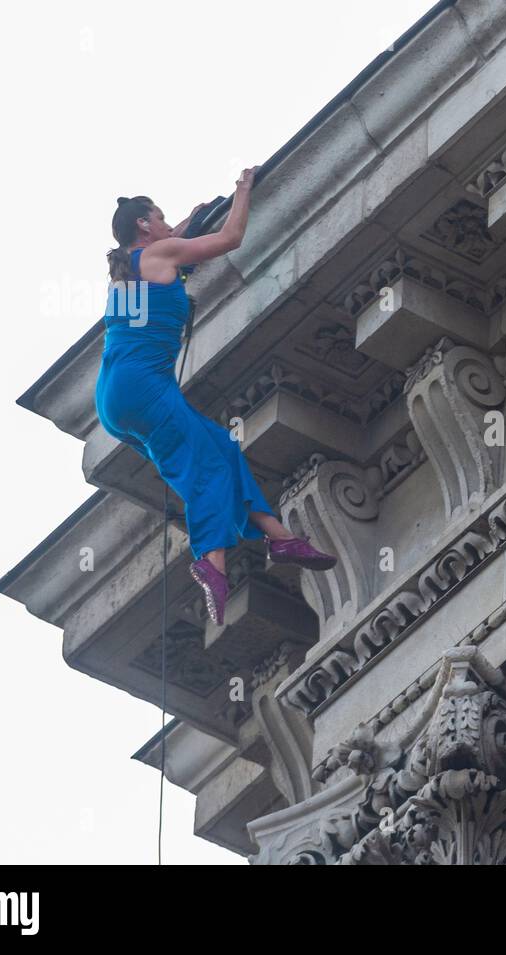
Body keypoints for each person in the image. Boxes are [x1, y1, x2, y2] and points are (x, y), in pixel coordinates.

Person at [95, 166, 337, 626]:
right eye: (160, 218)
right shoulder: (161, 252)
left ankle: (277, 535)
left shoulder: (125, 272)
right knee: (206, 469)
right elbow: (230, 238)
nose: (168, 226)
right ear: (145, 225)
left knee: (218, 453)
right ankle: (211, 559)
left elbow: (172, 248)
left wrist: (186, 220)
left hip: (115, 400)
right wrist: (244, 190)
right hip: (146, 388)